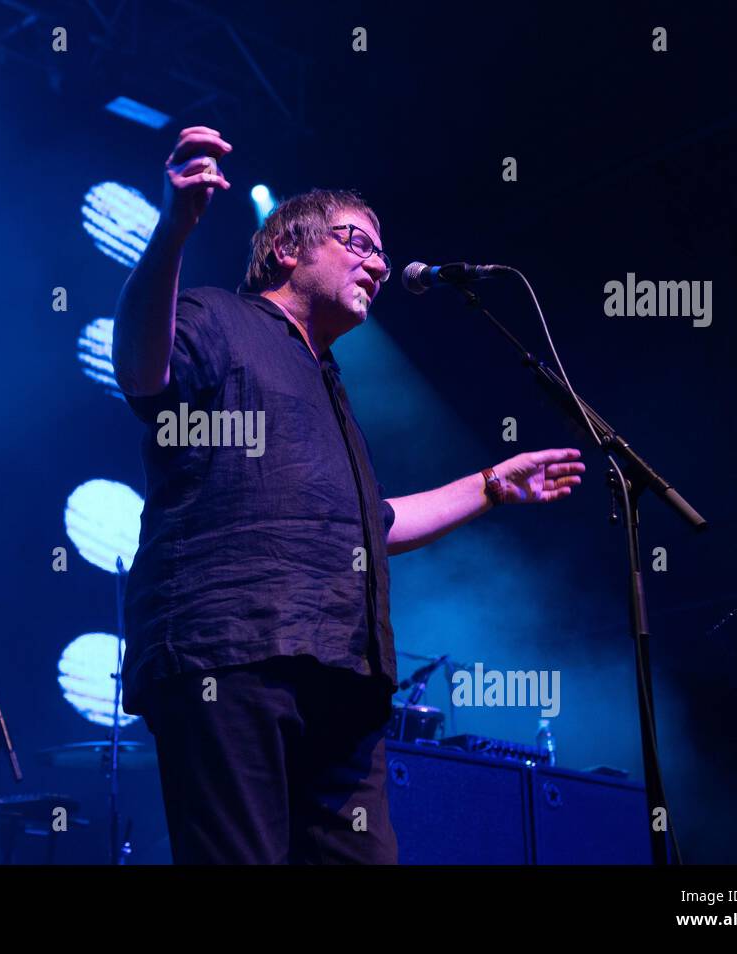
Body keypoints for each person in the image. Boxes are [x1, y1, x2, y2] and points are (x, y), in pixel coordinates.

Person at [112, 126, 586, 864]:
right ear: (287, 250)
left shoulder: (328, 382)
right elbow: (143, 375)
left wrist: (491, 485)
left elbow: (376, 525)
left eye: (382, 252)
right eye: (357, 242)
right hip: (231, 653)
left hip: (342, 670)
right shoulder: (220, 318)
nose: (379, 264)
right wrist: (174, 230)